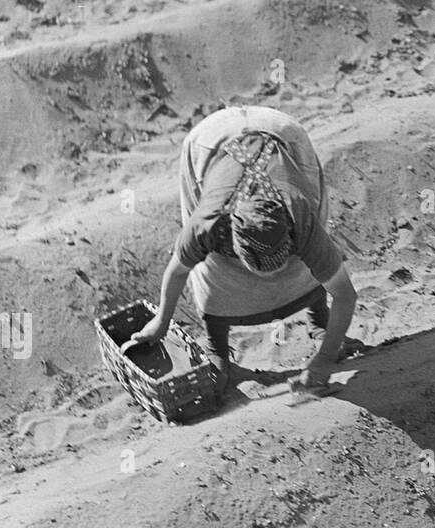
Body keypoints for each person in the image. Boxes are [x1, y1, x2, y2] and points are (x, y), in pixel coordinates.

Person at [123, 106, 358, 397]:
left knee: (312, 255)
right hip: (208, 141)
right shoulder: (209, 223)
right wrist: (161, 322)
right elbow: (179, 270)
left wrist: (323, 360)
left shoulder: (299, 213)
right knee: (213, 272)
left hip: (282, 132)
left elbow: (345, 294)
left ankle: (319, 318)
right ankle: (217, 348)